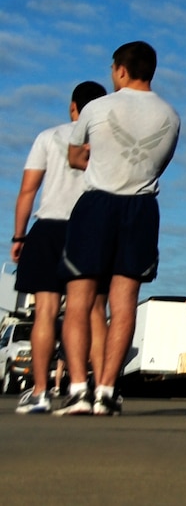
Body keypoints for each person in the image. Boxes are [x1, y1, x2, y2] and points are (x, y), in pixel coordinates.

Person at [53, 44, 178, 418]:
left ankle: (78, 390)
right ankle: (107, 390)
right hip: (141, 207)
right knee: (124, 304)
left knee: (79, 299)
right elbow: (159, 165)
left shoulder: (96, 107)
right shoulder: (171, 116)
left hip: (98, 204)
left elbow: (75, 156)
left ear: (121, 70)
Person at [12, 80, 106, 414]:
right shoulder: (106, 141)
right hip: (90, 226)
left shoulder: (48, 137)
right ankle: (100, 391)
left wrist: (19, 236)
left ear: (72, 107)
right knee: (95, 312)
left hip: (50, 226)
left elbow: (28, 190)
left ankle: (41, 392)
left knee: (45, 312)